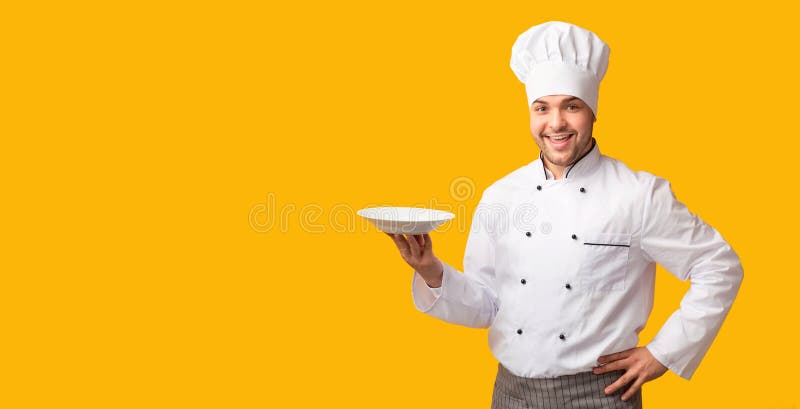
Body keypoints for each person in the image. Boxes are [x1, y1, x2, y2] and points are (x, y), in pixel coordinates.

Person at [385, 21, 743, 409]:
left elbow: (718, 265)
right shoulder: (501, 196)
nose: (555, 123)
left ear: (592, 112)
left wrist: (665, 352)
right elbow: (486, 306)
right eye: (542, 108)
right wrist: (430, 270)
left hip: (600, 396)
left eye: (571, 106)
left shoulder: (638, 194)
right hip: (511, 394)